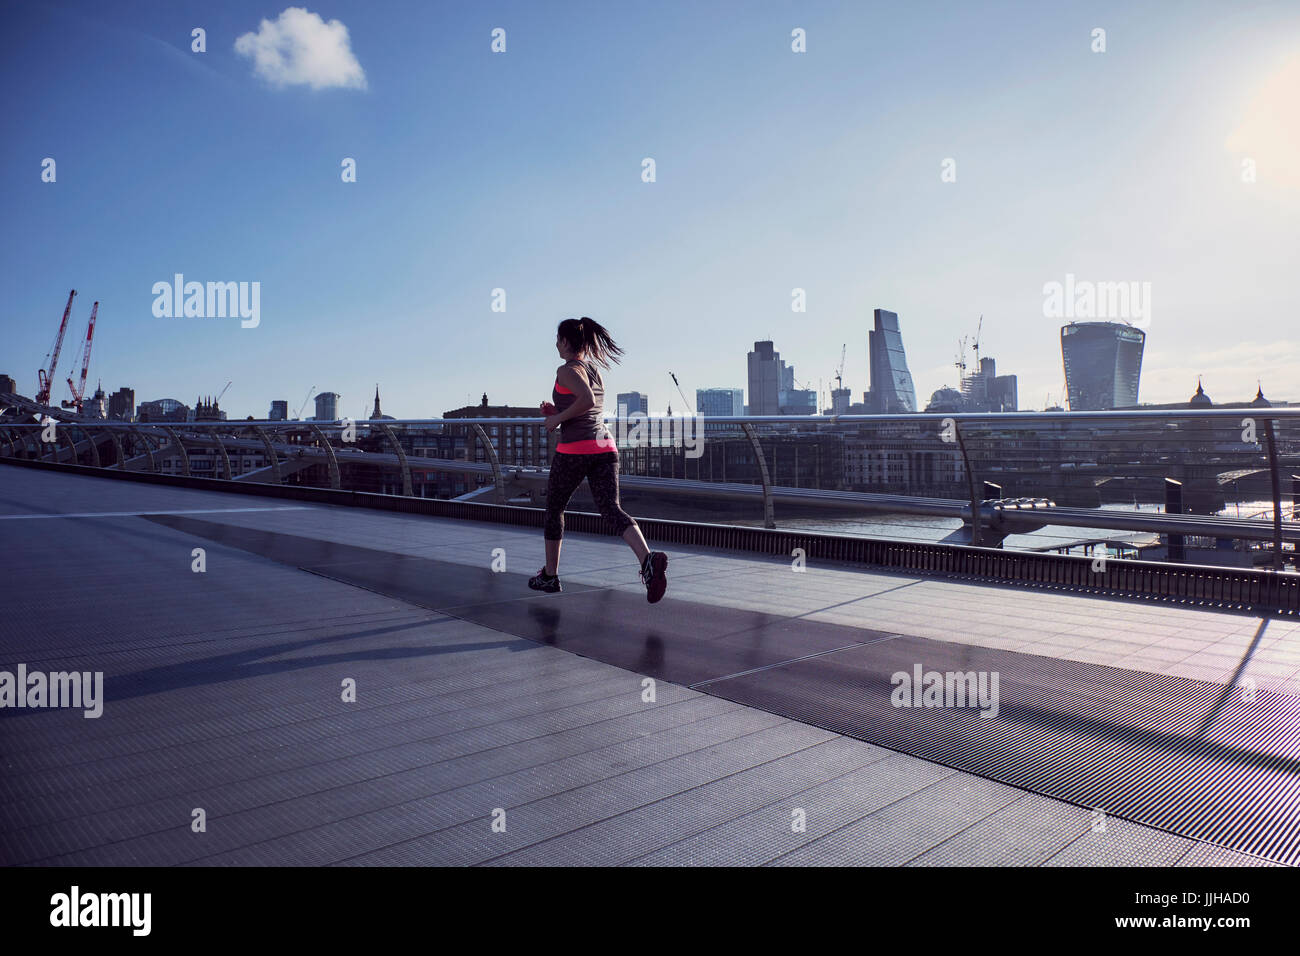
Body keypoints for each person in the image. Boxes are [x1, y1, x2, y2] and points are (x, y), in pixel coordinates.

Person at [528, 316, 668, 603]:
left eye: (557, 339)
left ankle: (550, 576)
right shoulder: (593, 369)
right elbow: (586, 406)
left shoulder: (566, 370)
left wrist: (555, 419)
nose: (555, 344)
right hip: (605, 447)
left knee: (554, 508)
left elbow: (588, 401)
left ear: (566, 342)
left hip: (576, 450)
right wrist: (557, 408)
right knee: (611, 508)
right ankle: (647, 560)